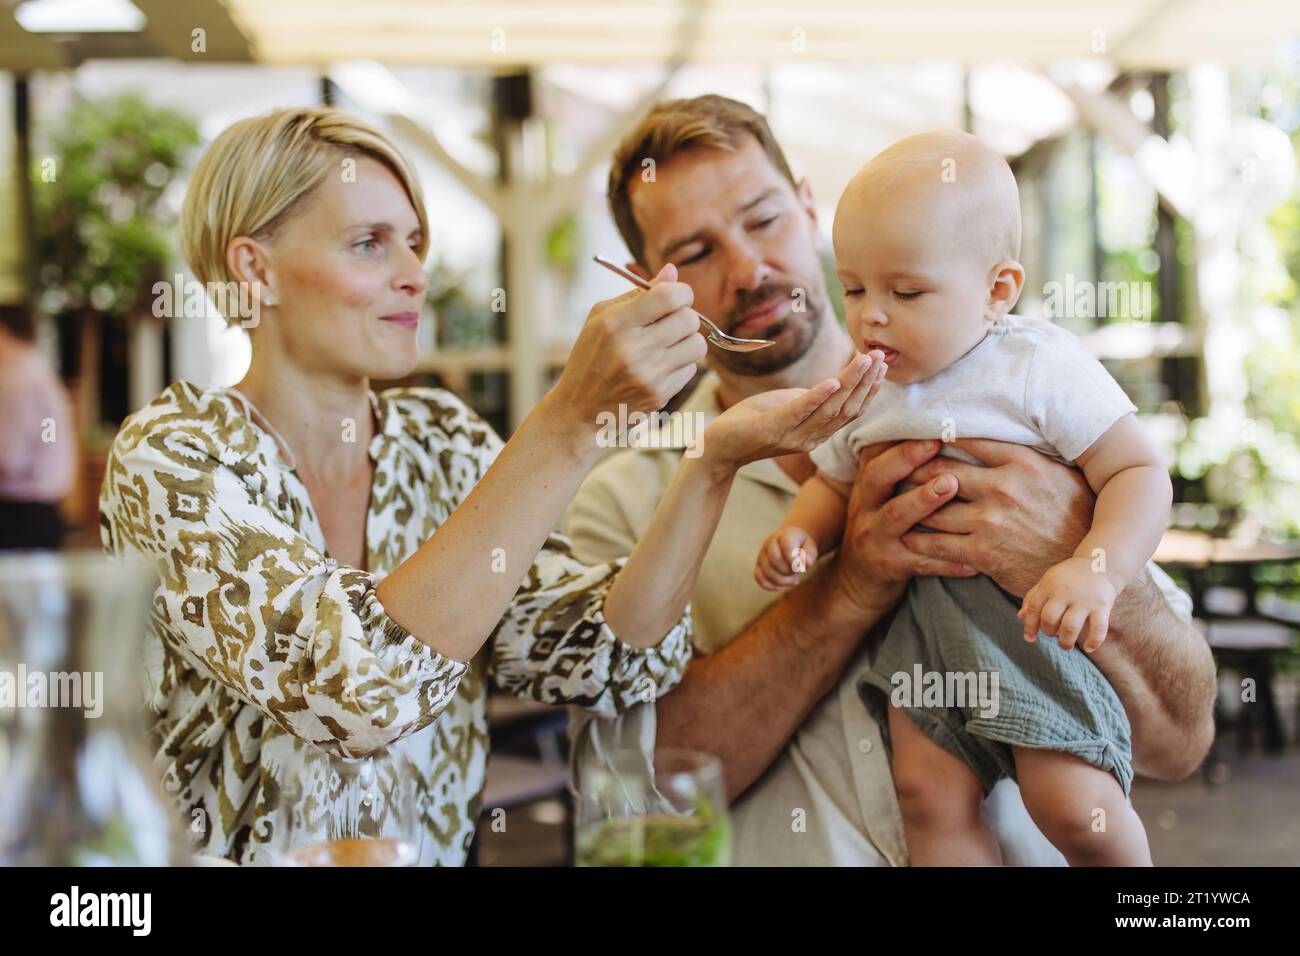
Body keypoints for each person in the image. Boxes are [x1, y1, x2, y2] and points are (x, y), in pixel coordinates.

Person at [97, 106, 878, 865]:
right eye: (370, 244)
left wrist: (709, 463)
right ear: (253, 269)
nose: (413, 274)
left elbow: (609, 657)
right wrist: (571, 420)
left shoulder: (441, 442)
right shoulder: (173, 460)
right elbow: (352, 696)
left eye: (414, 243)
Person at [565, 94, 1216, 866]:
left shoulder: (1028, 394)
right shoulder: (622, 507)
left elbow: (1181, 742)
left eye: (764, 217)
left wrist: (1075, 555)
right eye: (697, 253)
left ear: (809, 209)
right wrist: (845, 584)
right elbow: (636, 797)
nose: (750, 267)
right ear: (652, 285)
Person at [757, 130, 1172, 865]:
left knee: (1072, 806)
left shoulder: (1034, 364)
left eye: (906, 291)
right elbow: (832, 481)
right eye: (853, 288)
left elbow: (1139, 473)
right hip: (922, 633)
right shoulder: (868, 385)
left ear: (997, 290)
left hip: (1028, 624)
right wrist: (798, 535)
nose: (871, 317)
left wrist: (1096, 570)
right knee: (925, 794)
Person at [0, 305, 76, 551]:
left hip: (20, 514)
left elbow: (10, 458)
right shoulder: (40, 376)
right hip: (39, 511)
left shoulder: (19, 381)